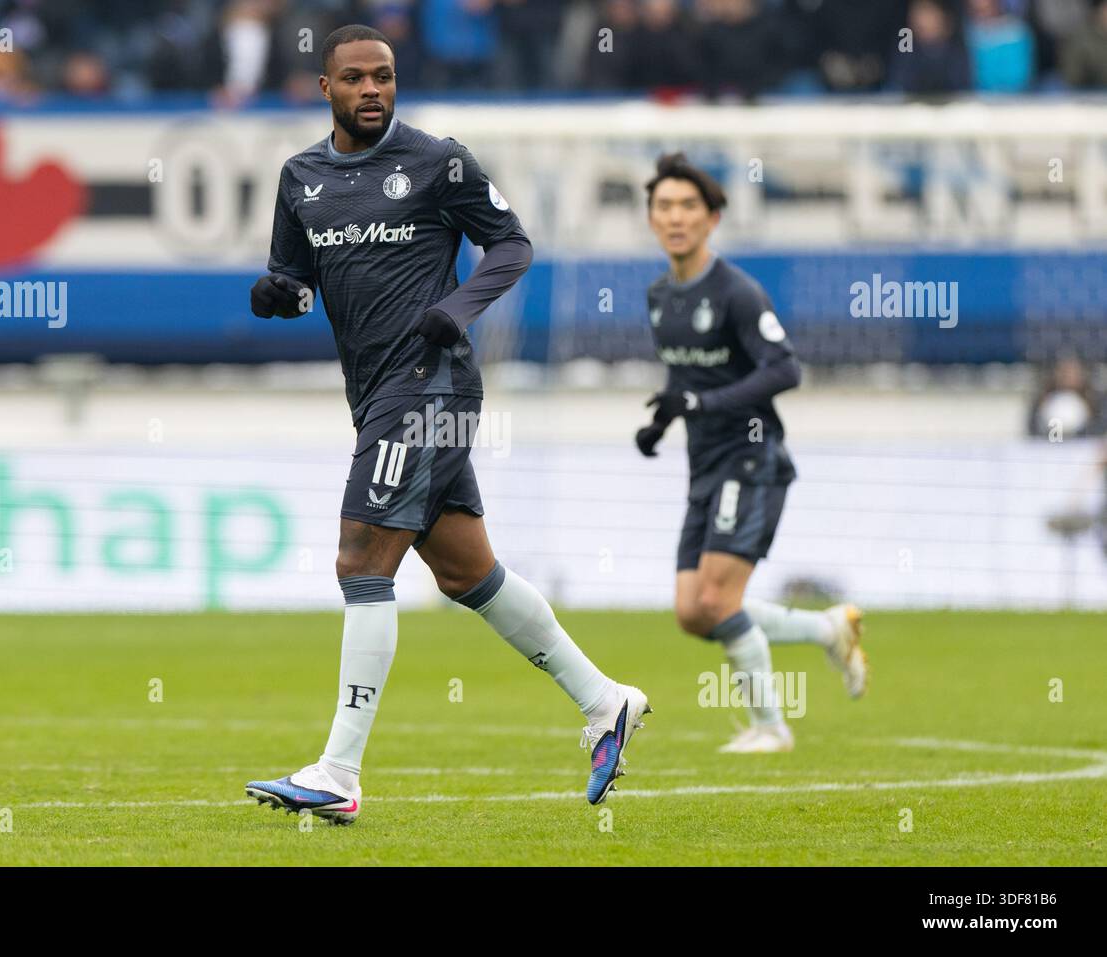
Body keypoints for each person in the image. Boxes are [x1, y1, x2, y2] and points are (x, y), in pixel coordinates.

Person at [244, 25, 649, 824]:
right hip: (376, 393)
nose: (372, 90)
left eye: (385, 77)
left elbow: (513, 245)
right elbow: (292, 277)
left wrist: (453, 309)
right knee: (467, 573)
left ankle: (338, 769)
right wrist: (275, 295)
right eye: (355, 78)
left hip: (433, 385)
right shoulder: (301, 178)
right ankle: (607, 699)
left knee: (361, 554)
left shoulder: (439, 161)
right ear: (324, 88)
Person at [635, 153, 867, 754]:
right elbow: (688, 379)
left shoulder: (737, 291)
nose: (676, 217)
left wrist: (705, 407)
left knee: (717, 599)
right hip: (704, 463)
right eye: (665, 206)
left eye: (689, 206)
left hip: (751, 456)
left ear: (712, 219)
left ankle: (771, 726)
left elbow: (786, 368)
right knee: (692, 612)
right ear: (652, 218)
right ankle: (826, 628)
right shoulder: (660, 296)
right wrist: (662, 424)